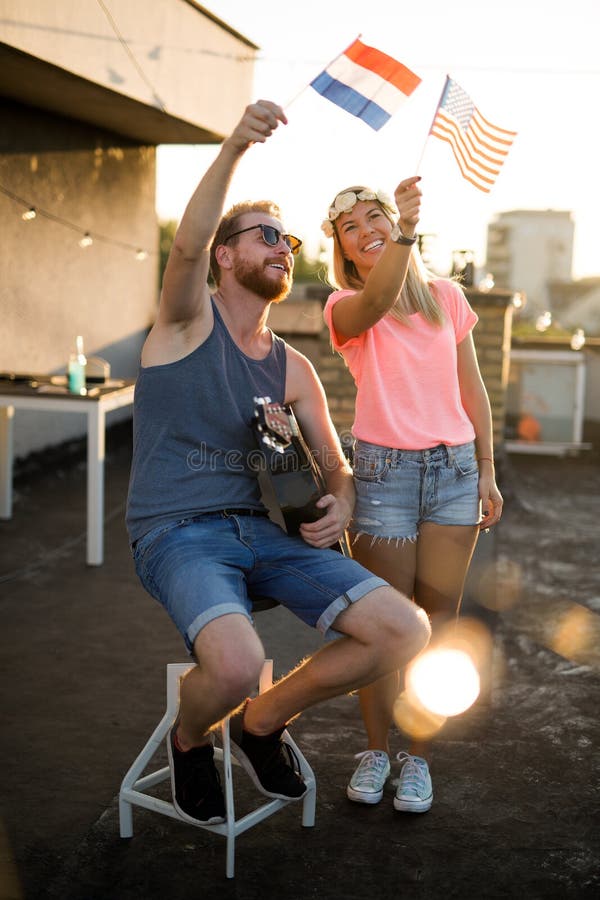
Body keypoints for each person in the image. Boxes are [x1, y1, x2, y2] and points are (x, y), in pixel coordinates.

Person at [125, 100, 431, 826]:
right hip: (175, 531)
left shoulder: (292, 366)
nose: (282, 247)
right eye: (264, 235)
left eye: (287, 240)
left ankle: (260, 722)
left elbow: (335, 464)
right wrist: (235, 144)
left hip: (260, 533)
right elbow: (185, 248)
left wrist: (343, 503)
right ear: (225, 256)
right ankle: (190, 739)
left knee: (406, 630)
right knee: (234, 664)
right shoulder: (183, 324)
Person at [321, 177, 503, 813]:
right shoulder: (344, 306)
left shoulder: (447, 298)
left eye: (375, 216)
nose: (366, 229)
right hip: (383, 477)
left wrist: (486, 469)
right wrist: (403, 230)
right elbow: (377, 301)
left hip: (455, 472)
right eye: (352, 227)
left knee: (440, 623)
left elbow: (472, 389)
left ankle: (418, 757)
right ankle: (375, 751)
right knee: (386, 626)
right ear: (343, 248)